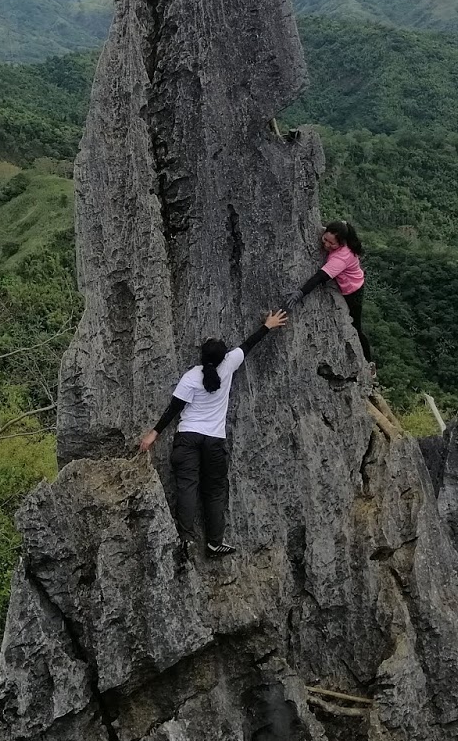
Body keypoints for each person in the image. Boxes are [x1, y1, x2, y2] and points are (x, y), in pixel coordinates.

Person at [137, 309, 289, 556]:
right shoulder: (228, 365)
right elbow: (249, 343)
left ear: (202, 356)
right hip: (214, 440)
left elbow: (174, 408)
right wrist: (268, 325)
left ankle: (186, 539)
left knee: (187, 486)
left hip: (187, 437)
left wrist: (154, 433)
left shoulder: (191, 377)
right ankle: (214, 542)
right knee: (215, 489)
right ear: (222, 356)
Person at [285, 220, 372, 365]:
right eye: (325, 239)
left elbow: (319, 277)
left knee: (356, 326)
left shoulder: (342, 257)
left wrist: (300, 293)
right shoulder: (340, 234)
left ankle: (369, 362)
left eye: (332, 244)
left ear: (342, 243)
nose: (326, 245)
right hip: (353, 281)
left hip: (353, 290)